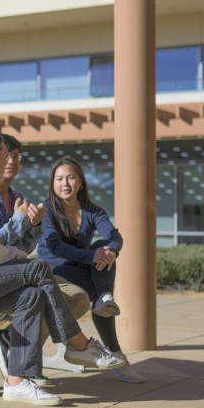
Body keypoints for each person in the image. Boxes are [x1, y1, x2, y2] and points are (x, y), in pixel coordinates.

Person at [0, 130, 126, 407]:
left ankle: (17, 381)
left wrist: (26, 233)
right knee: (37, 269)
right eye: (3, 155)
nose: (8, 161)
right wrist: (18, 250)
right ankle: (78, 345)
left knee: (33, 295)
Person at [0, 134, 90, 387]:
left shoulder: (17, 195)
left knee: (78, 298)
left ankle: (11, 341)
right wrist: (20, 222)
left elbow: (24, 246)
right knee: (42, 295)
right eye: (7, 155)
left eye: (17, 156)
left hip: (19, 270)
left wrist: (33, 225)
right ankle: (25, 362)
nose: (12, 161)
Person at [38, 156, 145, 383]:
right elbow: (55, 246)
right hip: (53, 270)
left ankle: (104, 299)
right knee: (99, 281)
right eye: (59, 179)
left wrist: (112, 251)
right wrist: (92, 256)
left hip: (81, 269)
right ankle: (115, 351)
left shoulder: (92, 211)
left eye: (70, 178)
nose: (65, 184)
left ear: (80, 182)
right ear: (52, 183)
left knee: (102, 247)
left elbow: (114, 236)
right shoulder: (46, 211)